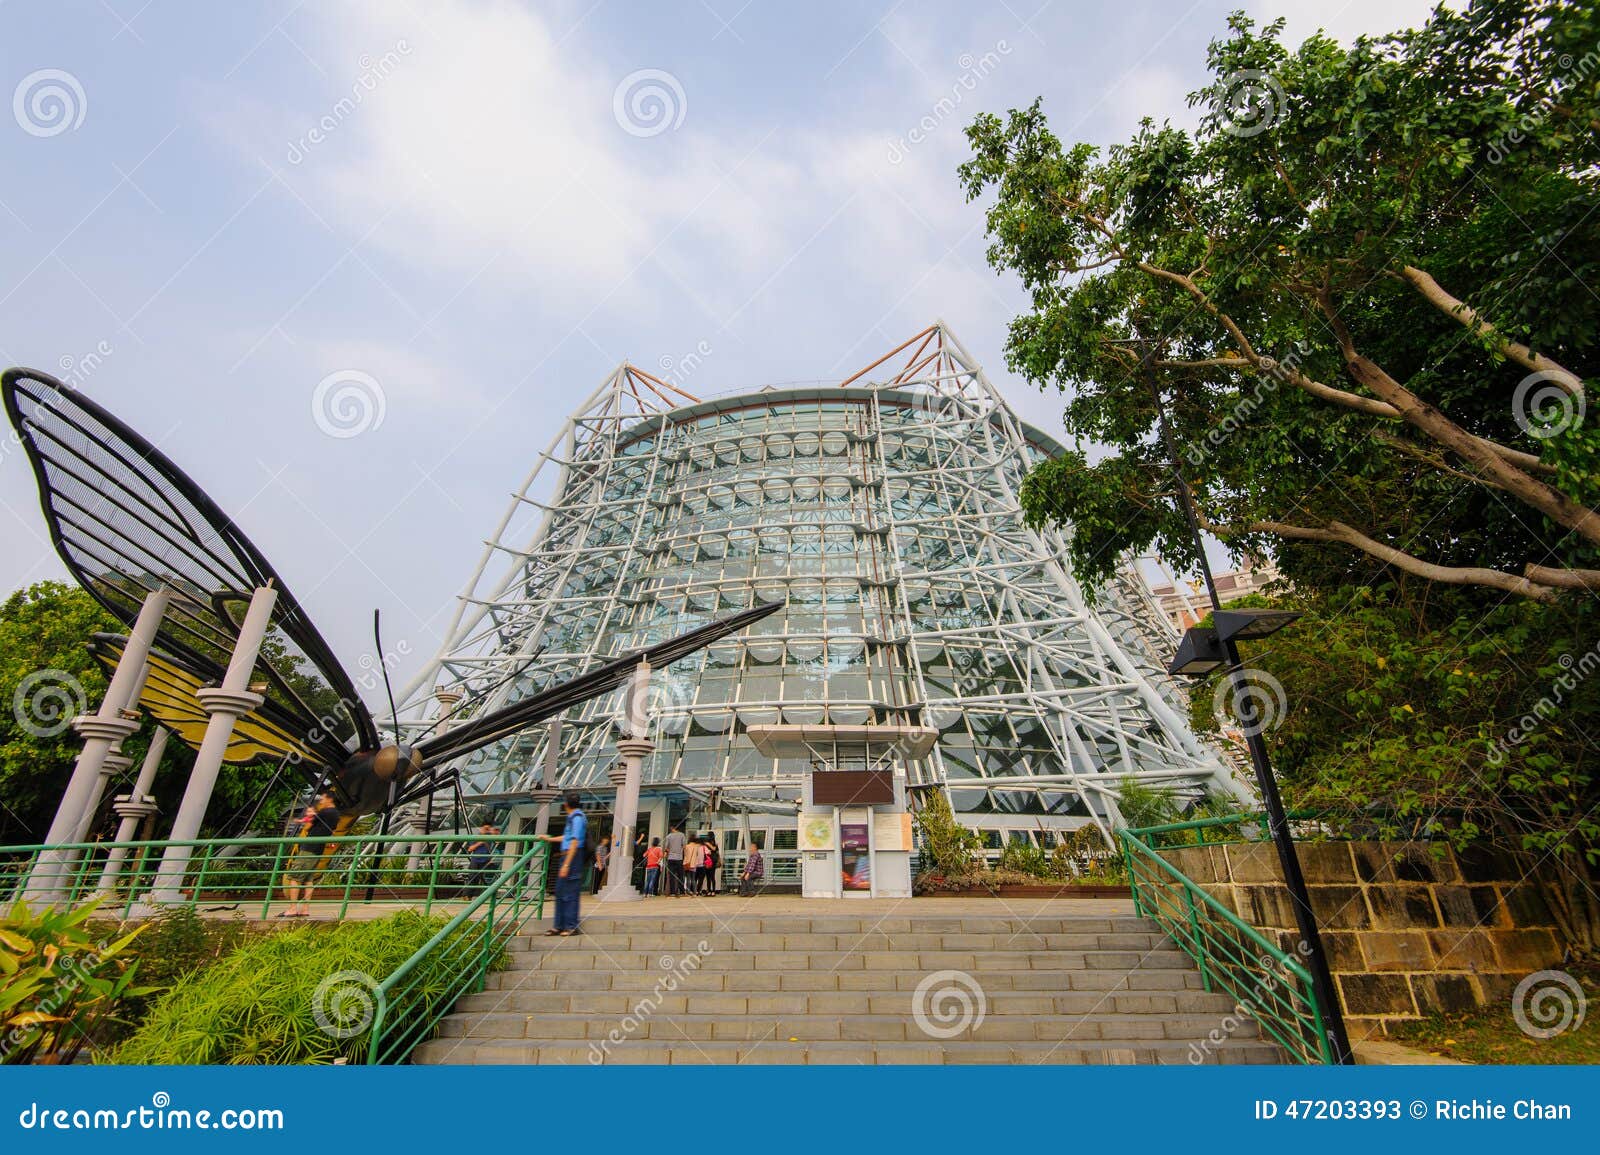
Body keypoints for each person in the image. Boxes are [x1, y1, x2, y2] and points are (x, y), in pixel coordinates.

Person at [281, 790, 341, 917]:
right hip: (318, 850)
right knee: (308, 879)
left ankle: (292, 908)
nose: (321, 801)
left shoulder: (325, 812)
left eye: (323, 799)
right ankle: (305, 909)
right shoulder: (336, 814)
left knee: (294, 877)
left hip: (309, 848)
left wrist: (309, 815)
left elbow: (308, 826)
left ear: (329, 799)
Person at [537, 791, 587, 936]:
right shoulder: (573, 818)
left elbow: (574, 842)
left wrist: (566, 864)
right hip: (567, 856)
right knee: (560, 891)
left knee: (570, 893)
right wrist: (549, 839)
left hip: (572, 857)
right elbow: (567, 837)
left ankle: (571, 926)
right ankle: (559, 925)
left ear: (566, 805)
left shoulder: (577, 818)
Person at [465, 823, 500, 890]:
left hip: (485, 860)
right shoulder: (476, 837)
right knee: (472, 878)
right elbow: (470, 849)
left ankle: (483, 891)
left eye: (488, 829)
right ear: (481, 828)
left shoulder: (489, 837)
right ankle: (467, 894)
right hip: (476, 860)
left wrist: (493, 831)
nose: (486, 830)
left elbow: (497, 841)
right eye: (485, 829)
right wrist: (480, 842)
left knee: (481, 878)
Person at [663, 823, 687, 897]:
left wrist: (668, 853)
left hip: (670, 858)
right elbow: (684, 846)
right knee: (680, 875)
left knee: (672, 876)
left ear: (672, 828)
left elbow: (666, 848)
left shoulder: (668, 836)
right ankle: (682, 892)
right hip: (679, 858)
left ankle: (672, 893)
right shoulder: (682, 835)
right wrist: (684, 855)